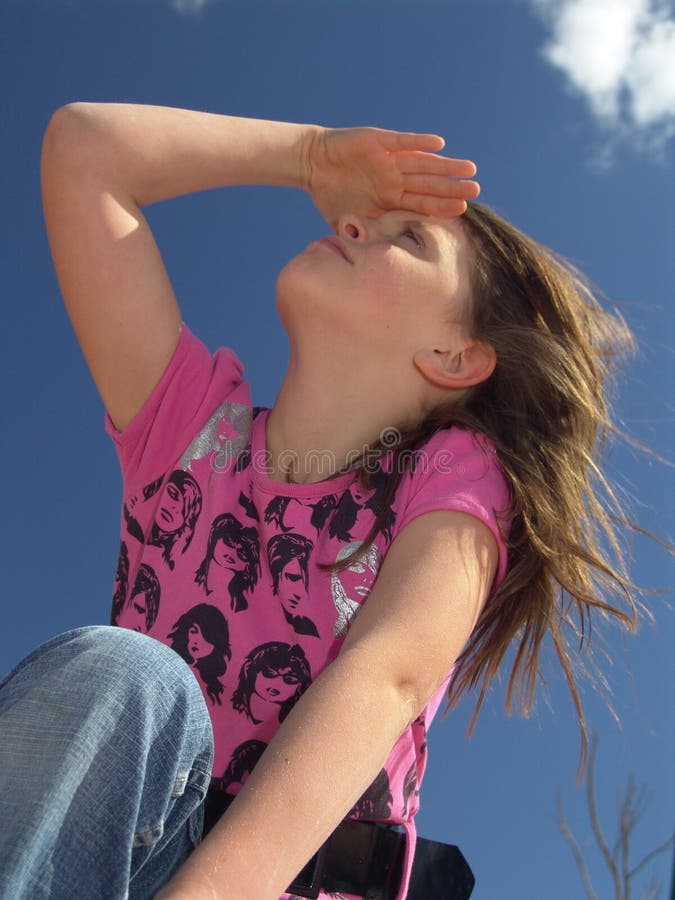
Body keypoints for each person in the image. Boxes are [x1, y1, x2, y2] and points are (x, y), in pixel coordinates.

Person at [0, 102, 643, 900]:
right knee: (116, 675)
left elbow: (389, 674)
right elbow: (83, 149)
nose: (352, 224)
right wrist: (308, 157)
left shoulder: (452, 473)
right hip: (111, 859)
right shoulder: (189, 434)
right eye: (366, 220)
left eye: (409, 238)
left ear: (452, 355)